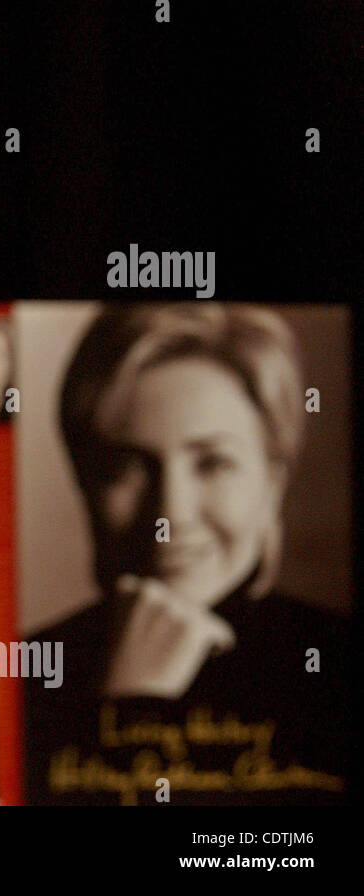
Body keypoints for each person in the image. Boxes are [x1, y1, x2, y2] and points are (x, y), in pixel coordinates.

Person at [24, 303, 350, 805]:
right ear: (83, 482)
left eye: (214, 463)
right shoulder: (22, 678)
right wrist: (130, 701)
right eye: (128, 466)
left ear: (273, 482)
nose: (170, 513)